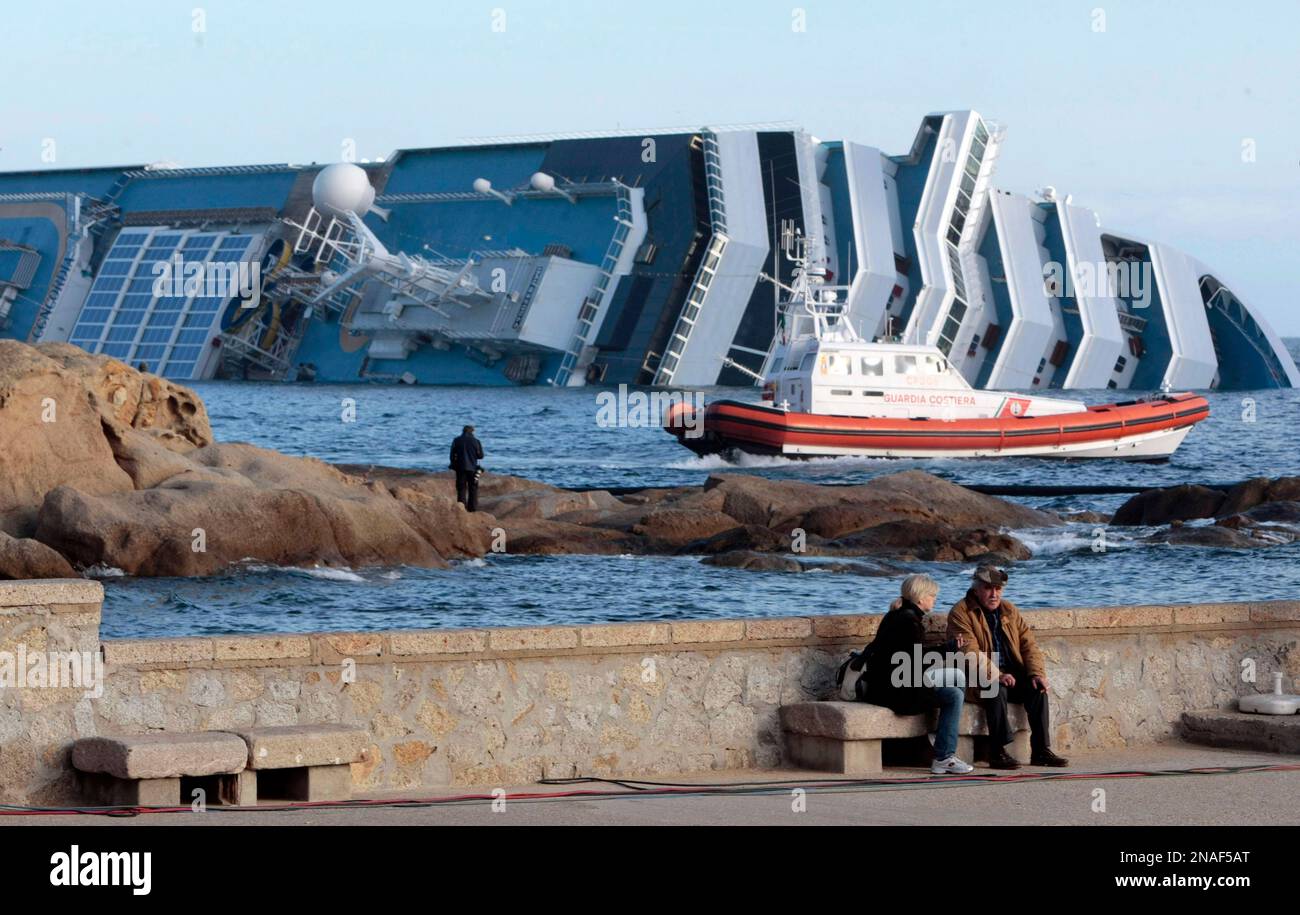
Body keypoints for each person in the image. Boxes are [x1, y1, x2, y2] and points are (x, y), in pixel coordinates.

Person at [946, 563, 1069, 769]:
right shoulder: (961, 612)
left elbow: (1029, 644)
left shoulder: (1009, 609)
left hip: (1011, 674)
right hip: (977, 678)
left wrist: (1036, 673)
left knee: (1037, 688)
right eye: (988, 588)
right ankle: (997, 752)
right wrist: (997, 675)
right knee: (995, 688)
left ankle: (1040, 751)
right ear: (976, 589)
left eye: (998, 589)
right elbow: (969, 653)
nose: (994, 594)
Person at [861, 574, 974, 775]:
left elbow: (911, 656)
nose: (935, 599)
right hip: (898, 692)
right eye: (932, 595)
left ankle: (942, 739)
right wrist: (947, 649)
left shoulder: (895, 615)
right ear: (920, 598)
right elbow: (916, 661)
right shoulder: (909, 622)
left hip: (889, 684)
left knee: (956, 679)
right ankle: (944, 755)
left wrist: (945, 649)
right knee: (954, 693)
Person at [449, 424, 484, 512]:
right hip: (473, 468)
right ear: (472, 432)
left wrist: (453, 464)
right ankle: (472, 509)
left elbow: (452, 455)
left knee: (461, 488)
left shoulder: (456, 440)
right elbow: (481, 456)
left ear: (463, 431)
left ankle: (462, 508)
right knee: (473, 488)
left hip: (460, 468)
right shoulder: (476, 441)